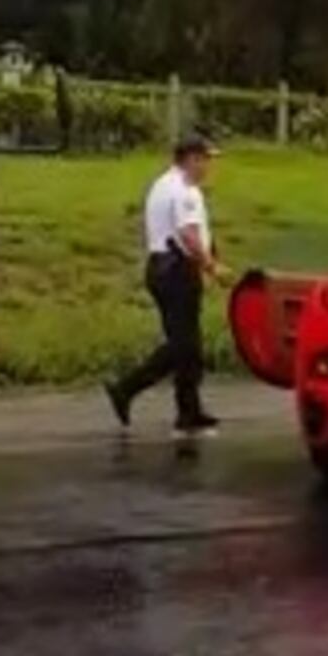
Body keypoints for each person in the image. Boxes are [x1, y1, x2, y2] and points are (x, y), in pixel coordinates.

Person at [105, 132, 231, 436]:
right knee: (182, 345)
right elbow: (188, 235)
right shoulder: (185, 190)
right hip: (177, 270)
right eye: (204, 160)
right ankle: (126, 388)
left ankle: (189, 411)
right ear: (190, 158)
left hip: (162, 267)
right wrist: (211, 266)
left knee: (188, 345)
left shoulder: (163, 184)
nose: (207, 167)